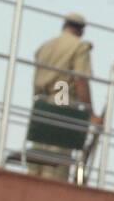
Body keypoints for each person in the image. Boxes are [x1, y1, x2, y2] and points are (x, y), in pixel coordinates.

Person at [29, 12, 103, 179]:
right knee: (55, 168)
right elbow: (80, 80)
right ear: (81, 30)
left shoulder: (45, 47)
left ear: (64, 25)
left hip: (41, 106)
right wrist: (91, 114)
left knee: (36, 164)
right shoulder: (79, 46)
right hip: (62, 102)